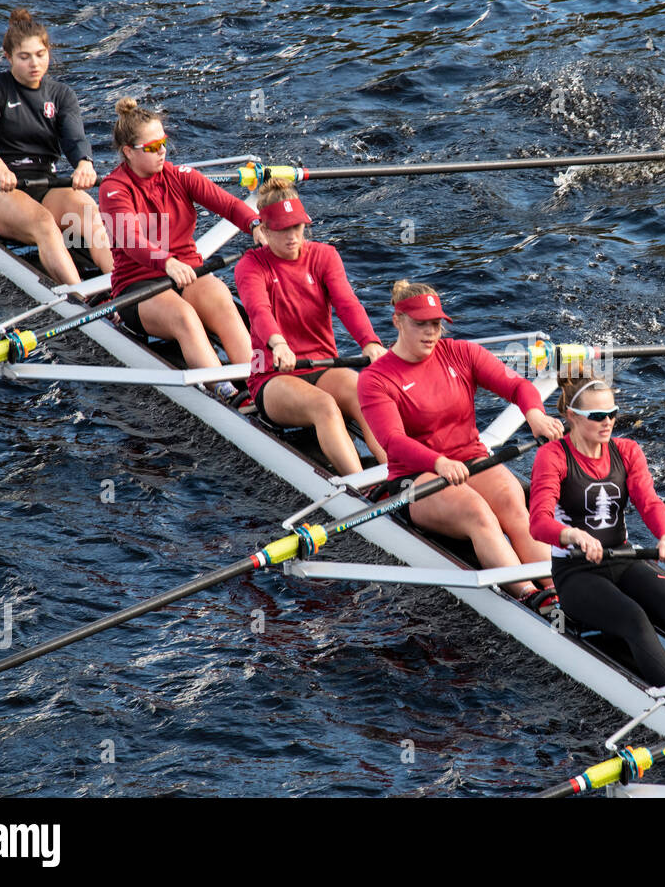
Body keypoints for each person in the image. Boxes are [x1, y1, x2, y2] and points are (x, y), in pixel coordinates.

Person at [357, 282, 564, 601]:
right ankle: (532, 599)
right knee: (477, 512)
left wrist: (535, 415)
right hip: (415, 478)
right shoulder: (376, 378)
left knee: (514, 502)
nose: (430, 333)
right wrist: (438, 462)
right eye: (420, 324)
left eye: (436, 324)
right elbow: (393, 442)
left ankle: (558, 587)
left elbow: (519, 387)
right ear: (397, 320)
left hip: (470, 459)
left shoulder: (460, 352)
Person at [528, 376, 665, 707]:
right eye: (597, 416)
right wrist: (572, 534)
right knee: (634, 617)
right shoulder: (553, 456)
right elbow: (538, 522)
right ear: (572, 416)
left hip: (623, 560)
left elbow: (649, 502)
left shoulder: (627, 450)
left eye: (612, 414)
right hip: (576, 573)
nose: (607, 422)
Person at [100, 98, 259, 400]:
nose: (161, 151)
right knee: (185, 317)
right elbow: (132, 241)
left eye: (163, 142)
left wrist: (255, 226)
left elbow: (228, 204)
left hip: (185, 272)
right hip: (138, 285)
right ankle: (227, 394)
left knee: (221, 299)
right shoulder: (113, 188)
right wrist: (167, 262)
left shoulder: (179, 175)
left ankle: (260, 383)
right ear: (128, 153)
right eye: (151, 147)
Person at [234, 179, 386, 474]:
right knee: (324, 406)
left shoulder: (325, 256)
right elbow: (258, 310)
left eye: (297, 227)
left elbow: (347, 304)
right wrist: (278, 344)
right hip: (273, 376)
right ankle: (361, 491)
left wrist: (370, 342)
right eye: (282, 229)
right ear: (264, 231)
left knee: (366, 391)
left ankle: (402, 478)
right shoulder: (251, 265)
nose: (293, 236)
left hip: (322, 366)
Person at [0, 8, 113, 285]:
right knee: (44, 223)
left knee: (90, 213)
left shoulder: (61, 94)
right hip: (5, 189)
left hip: (47, 183)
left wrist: (84, 163)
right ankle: (81, 299)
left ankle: (122, 291)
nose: (34, 63)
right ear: (8, 56)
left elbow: (74, 139)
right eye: (24, 57)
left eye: (40, 54)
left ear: (48, 52)